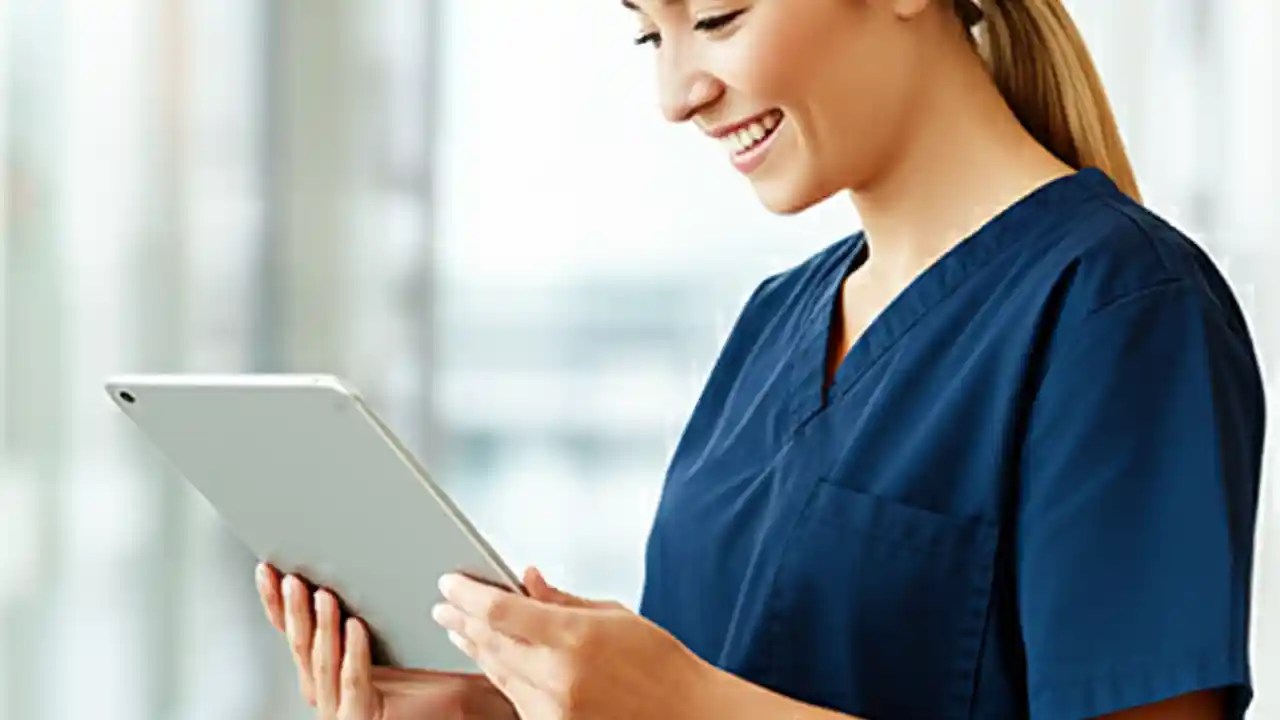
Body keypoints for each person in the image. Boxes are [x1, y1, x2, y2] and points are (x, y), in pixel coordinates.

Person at [255, 0, 1267, 717]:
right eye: (650, 32)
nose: (676, 92)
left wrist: (683, 705)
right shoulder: (774, 322)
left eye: (721, 18)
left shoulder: (1117, 307)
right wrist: (512, 709)